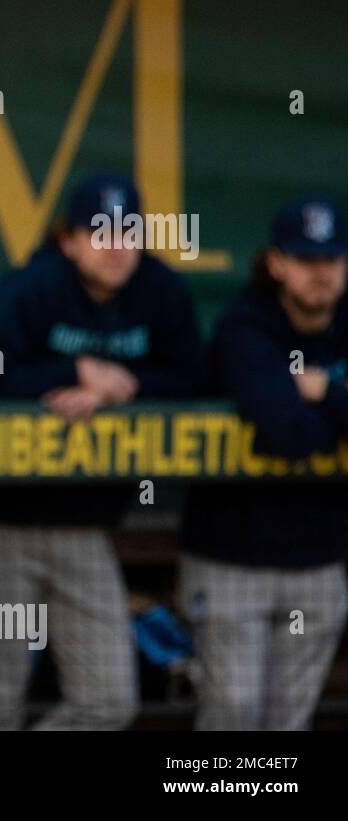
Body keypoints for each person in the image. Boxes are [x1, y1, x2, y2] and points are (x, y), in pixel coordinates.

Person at [0, 173, 203, 730]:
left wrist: (127, 384)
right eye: (98, 232)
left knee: (109, 699)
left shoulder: (159, 292)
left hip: (84, 524)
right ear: (68, 241)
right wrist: (74, 370)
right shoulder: (33, 287)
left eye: (127, 232)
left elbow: (195, 379)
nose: (115, 247)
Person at [180, 197, 348, 730]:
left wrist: (326, 389)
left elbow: (301, 420)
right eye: (305, 260)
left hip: (320, 559)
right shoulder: (245, 326)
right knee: (232, 714)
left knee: (288, 723)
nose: (320, 273)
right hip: (233, 556)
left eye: (331, 259)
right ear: (276, 263)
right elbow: (285, 435)